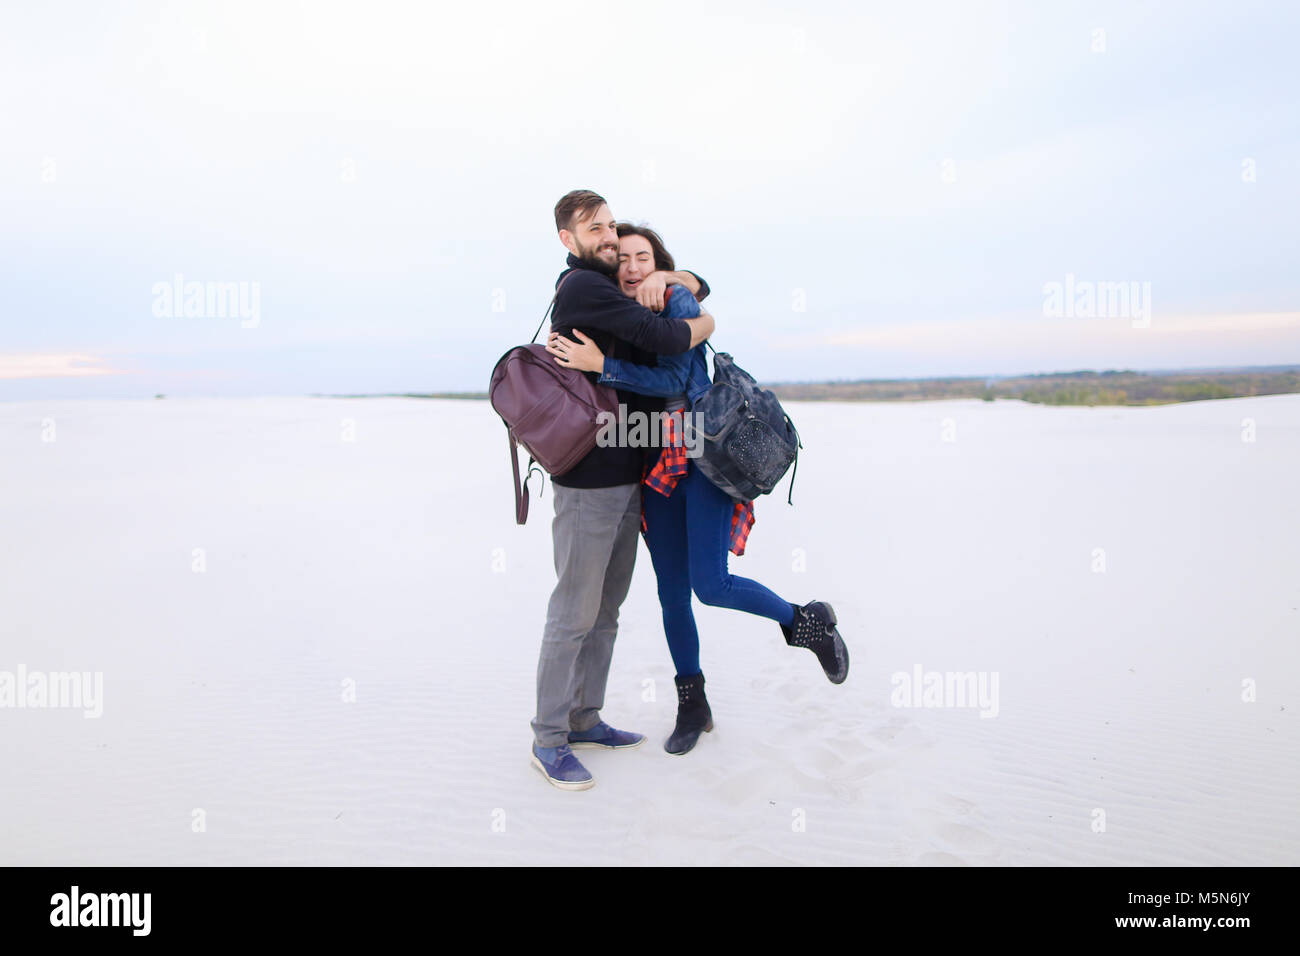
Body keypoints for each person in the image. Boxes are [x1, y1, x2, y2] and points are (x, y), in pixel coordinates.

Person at [546, 223, 849, 756]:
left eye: (645, 257)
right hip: (655, 463)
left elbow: (672, 382)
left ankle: (805, 621)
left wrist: (604, 366)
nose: (634, 267)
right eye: (626, 261)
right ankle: (693, 704)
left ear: (660, 263)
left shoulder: (677, 298)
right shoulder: (621, 311)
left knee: (711, 585)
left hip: (702, 456)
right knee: (670, 592)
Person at [530, 190, 716, 790]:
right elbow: (664, 339)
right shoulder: (584, 288)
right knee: (574, 612)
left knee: (606, 611)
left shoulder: (616, 283)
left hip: (628, 471)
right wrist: (704, 321)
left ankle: (586, 717)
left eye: (611, 224)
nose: (609, 237)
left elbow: (686, 291)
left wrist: (676, 277)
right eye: (595, 228)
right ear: (568, 239)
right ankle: (549, 738)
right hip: (586, 478)